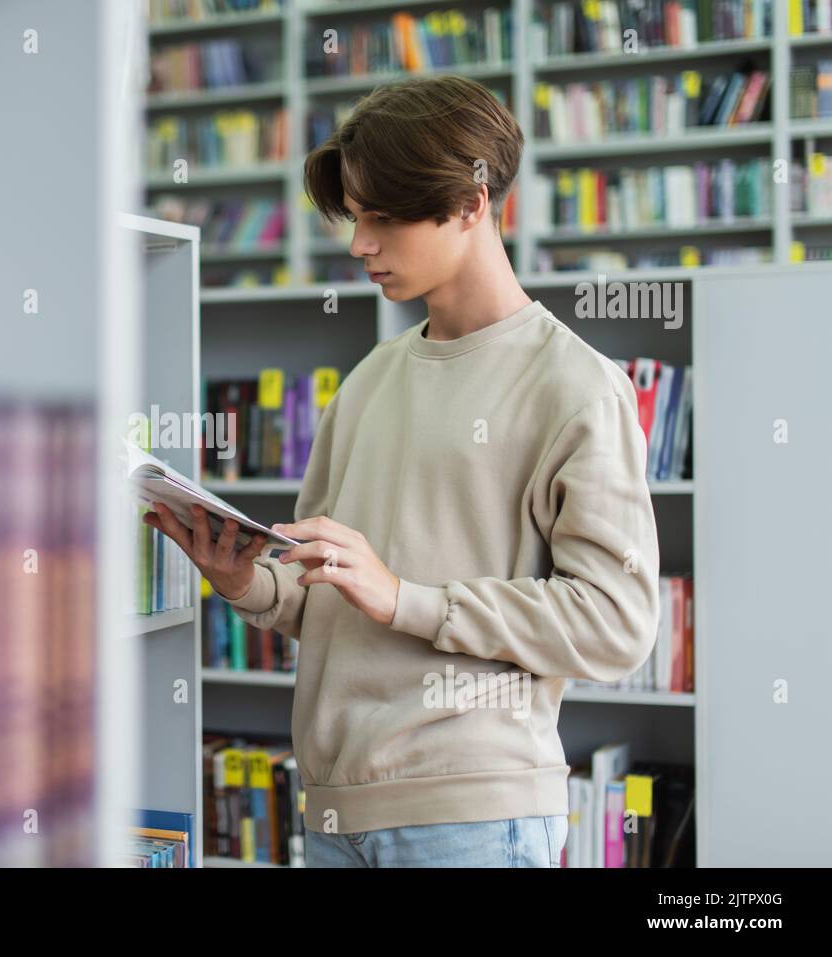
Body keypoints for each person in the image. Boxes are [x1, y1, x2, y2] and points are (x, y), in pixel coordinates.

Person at [144, 74, 660, 867]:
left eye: (383, 218)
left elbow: (618, 620)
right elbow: (330, 593)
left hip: (473, 820)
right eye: (356, 218)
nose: (359, 245)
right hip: (333, 814)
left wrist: (408, 599)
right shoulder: (368, 381)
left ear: (471, 203)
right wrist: (247, 582)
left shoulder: (577, 387)